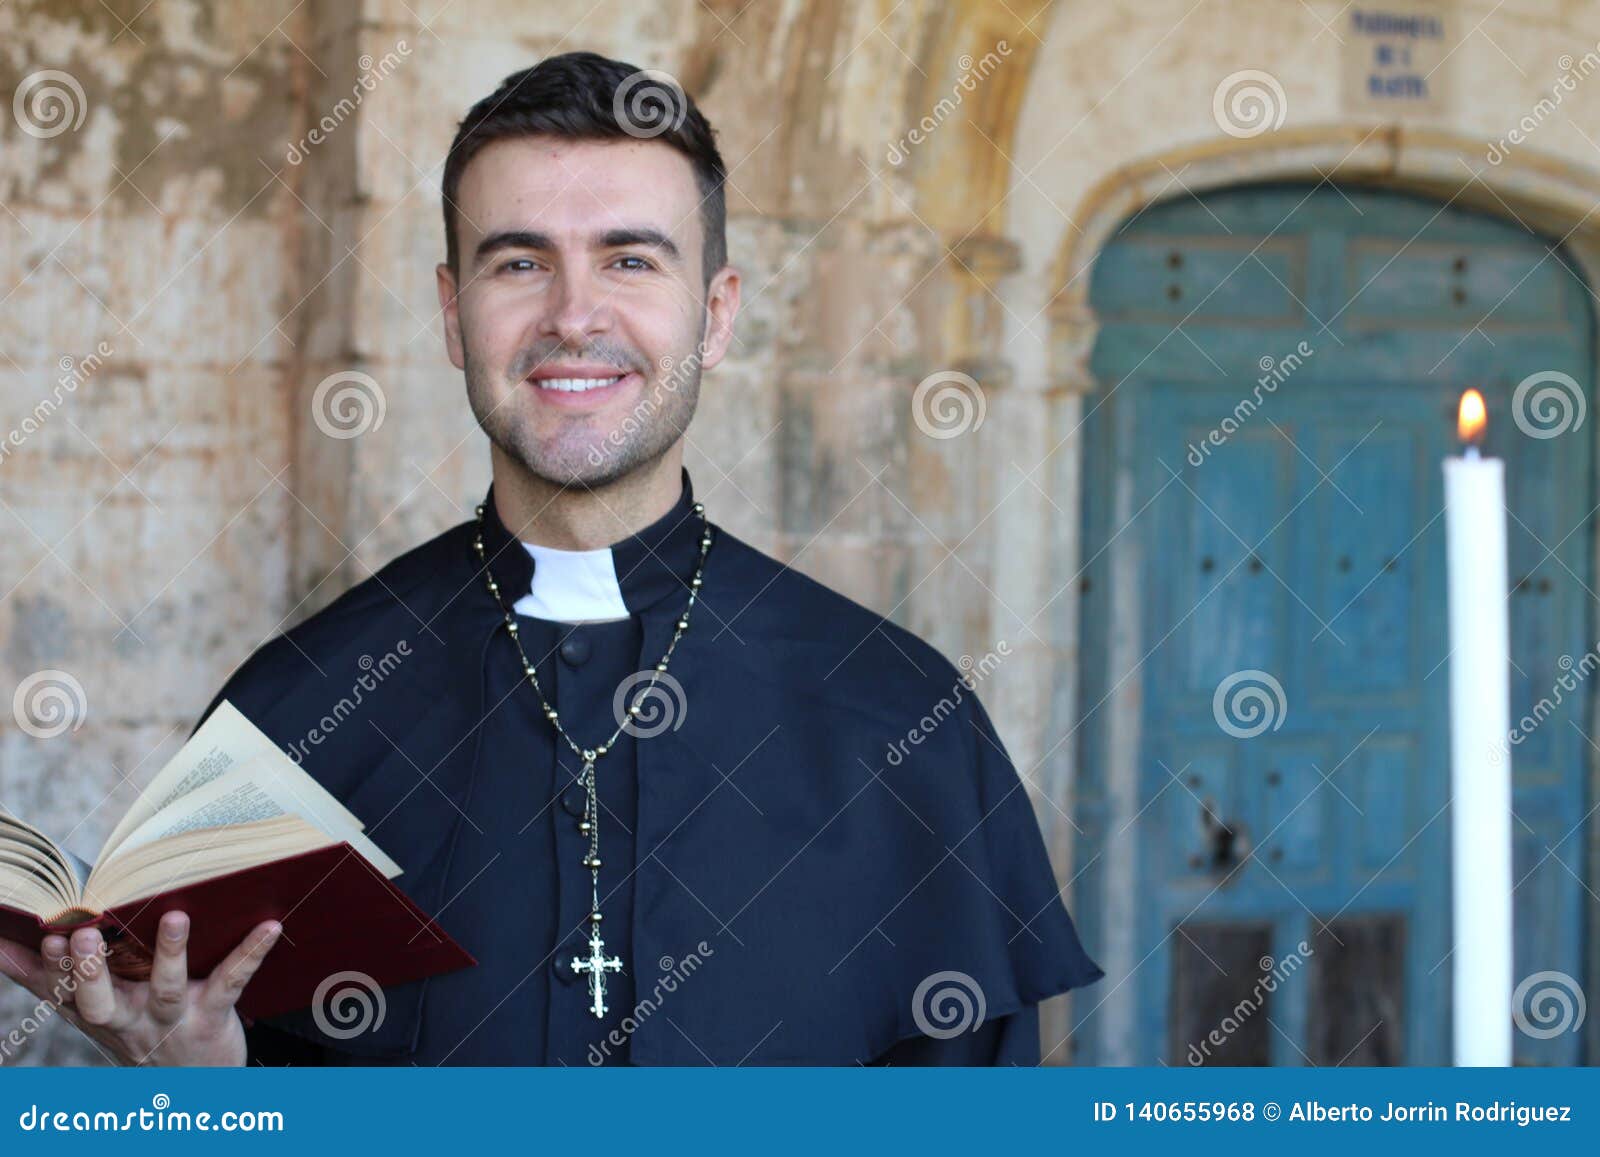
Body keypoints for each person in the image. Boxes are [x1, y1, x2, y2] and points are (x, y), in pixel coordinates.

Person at [0, 50, 1100, 1066]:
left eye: (629, 257)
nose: (574, 315)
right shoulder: (298, 709)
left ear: (715, 315)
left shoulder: (897, 715)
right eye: (519, 261)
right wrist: (192, 1093)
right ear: (452, 311)